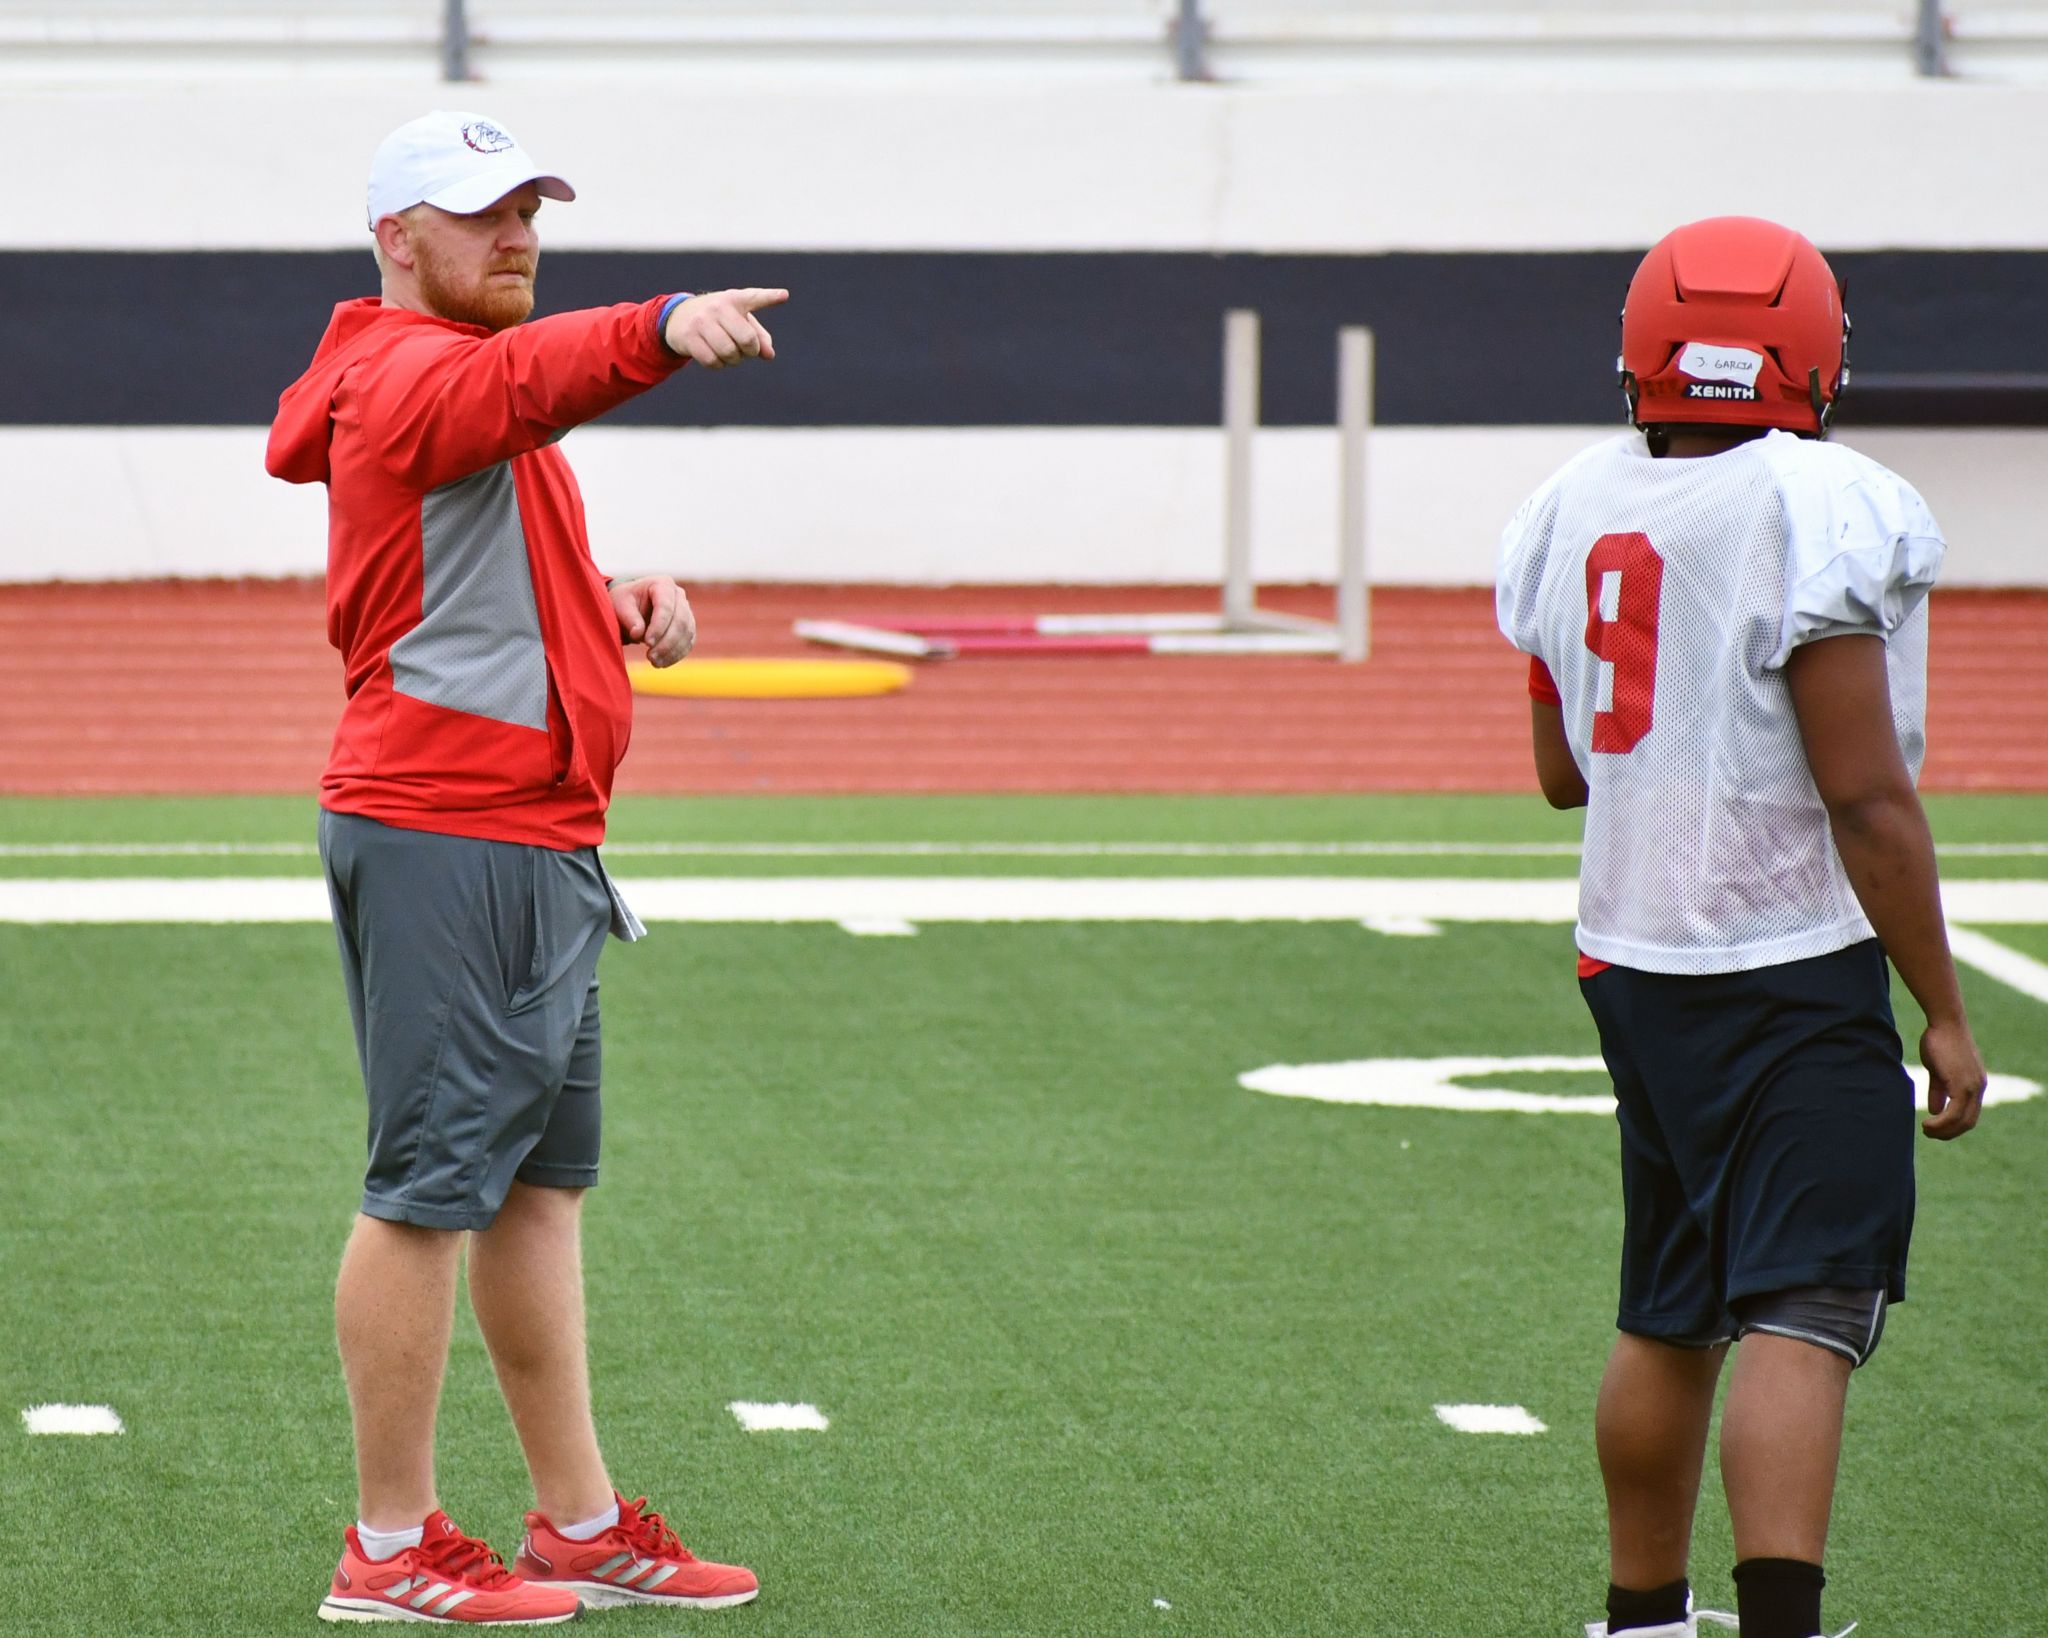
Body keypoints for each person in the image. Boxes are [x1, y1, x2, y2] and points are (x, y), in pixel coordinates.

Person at [267, 109, 783, 1625]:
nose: (519, 235)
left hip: (525, 832)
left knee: (537, 1192)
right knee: (429, 1191)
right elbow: (522, 380)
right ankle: (388, 1543)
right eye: (482, 212)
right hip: (454, 828)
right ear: (396, 238)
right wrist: (664, 328)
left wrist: (608, 599)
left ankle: (576, 1522)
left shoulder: (430, 378)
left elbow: (467, 574)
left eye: (529, 208)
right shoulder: (416, 368)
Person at [1494, 216, 1988, 1638]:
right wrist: (1941, 1004)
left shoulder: (1565, 501)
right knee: (1806, 1306)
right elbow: (1866, 795)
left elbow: (1558, 772)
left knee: (1670, 1303)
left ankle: (1640, 1617)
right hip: (1783, 957)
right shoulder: (1827, 503)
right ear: (1812, 360)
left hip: (1635, 955)